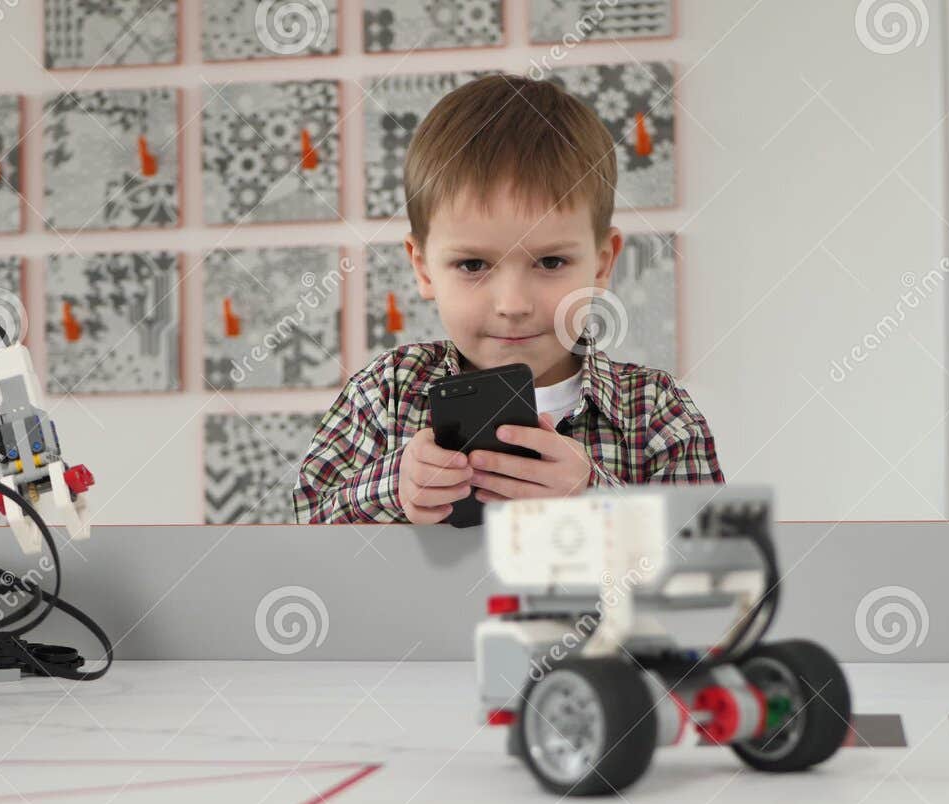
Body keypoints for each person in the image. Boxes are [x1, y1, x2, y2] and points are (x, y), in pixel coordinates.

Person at [294, 72, 723, 525]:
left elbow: (715, 564)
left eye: (551, 262)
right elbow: (305, 529)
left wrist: (596, 501)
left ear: (601, 265)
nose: (513, 304)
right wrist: (392, 485)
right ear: (423, 268)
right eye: (473, 265)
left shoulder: (655, 409)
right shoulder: (385, 393)